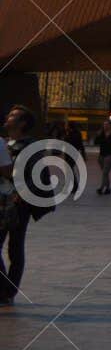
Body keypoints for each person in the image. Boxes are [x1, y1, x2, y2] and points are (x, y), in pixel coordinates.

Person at [0, 106, 38, 306]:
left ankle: (8, 291)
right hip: (2, 201)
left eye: (13, 115)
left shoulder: (30, 146)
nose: (8, 116)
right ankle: (5, 289)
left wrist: (21, 195)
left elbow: (36, 176)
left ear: (22, 123)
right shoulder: (5, 143)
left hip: (17, 204)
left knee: (15, 247)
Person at [93, 117, 111, 195]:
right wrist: (97, 135)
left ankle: (101, 188)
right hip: (101, 156)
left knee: (105, 172)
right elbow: (95, 143)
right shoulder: (102, 134)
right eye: (104, 125)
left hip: (110, 155)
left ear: (110, 126)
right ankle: (108, 189)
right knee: (105, 173)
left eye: (106, 125)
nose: (105, 126)